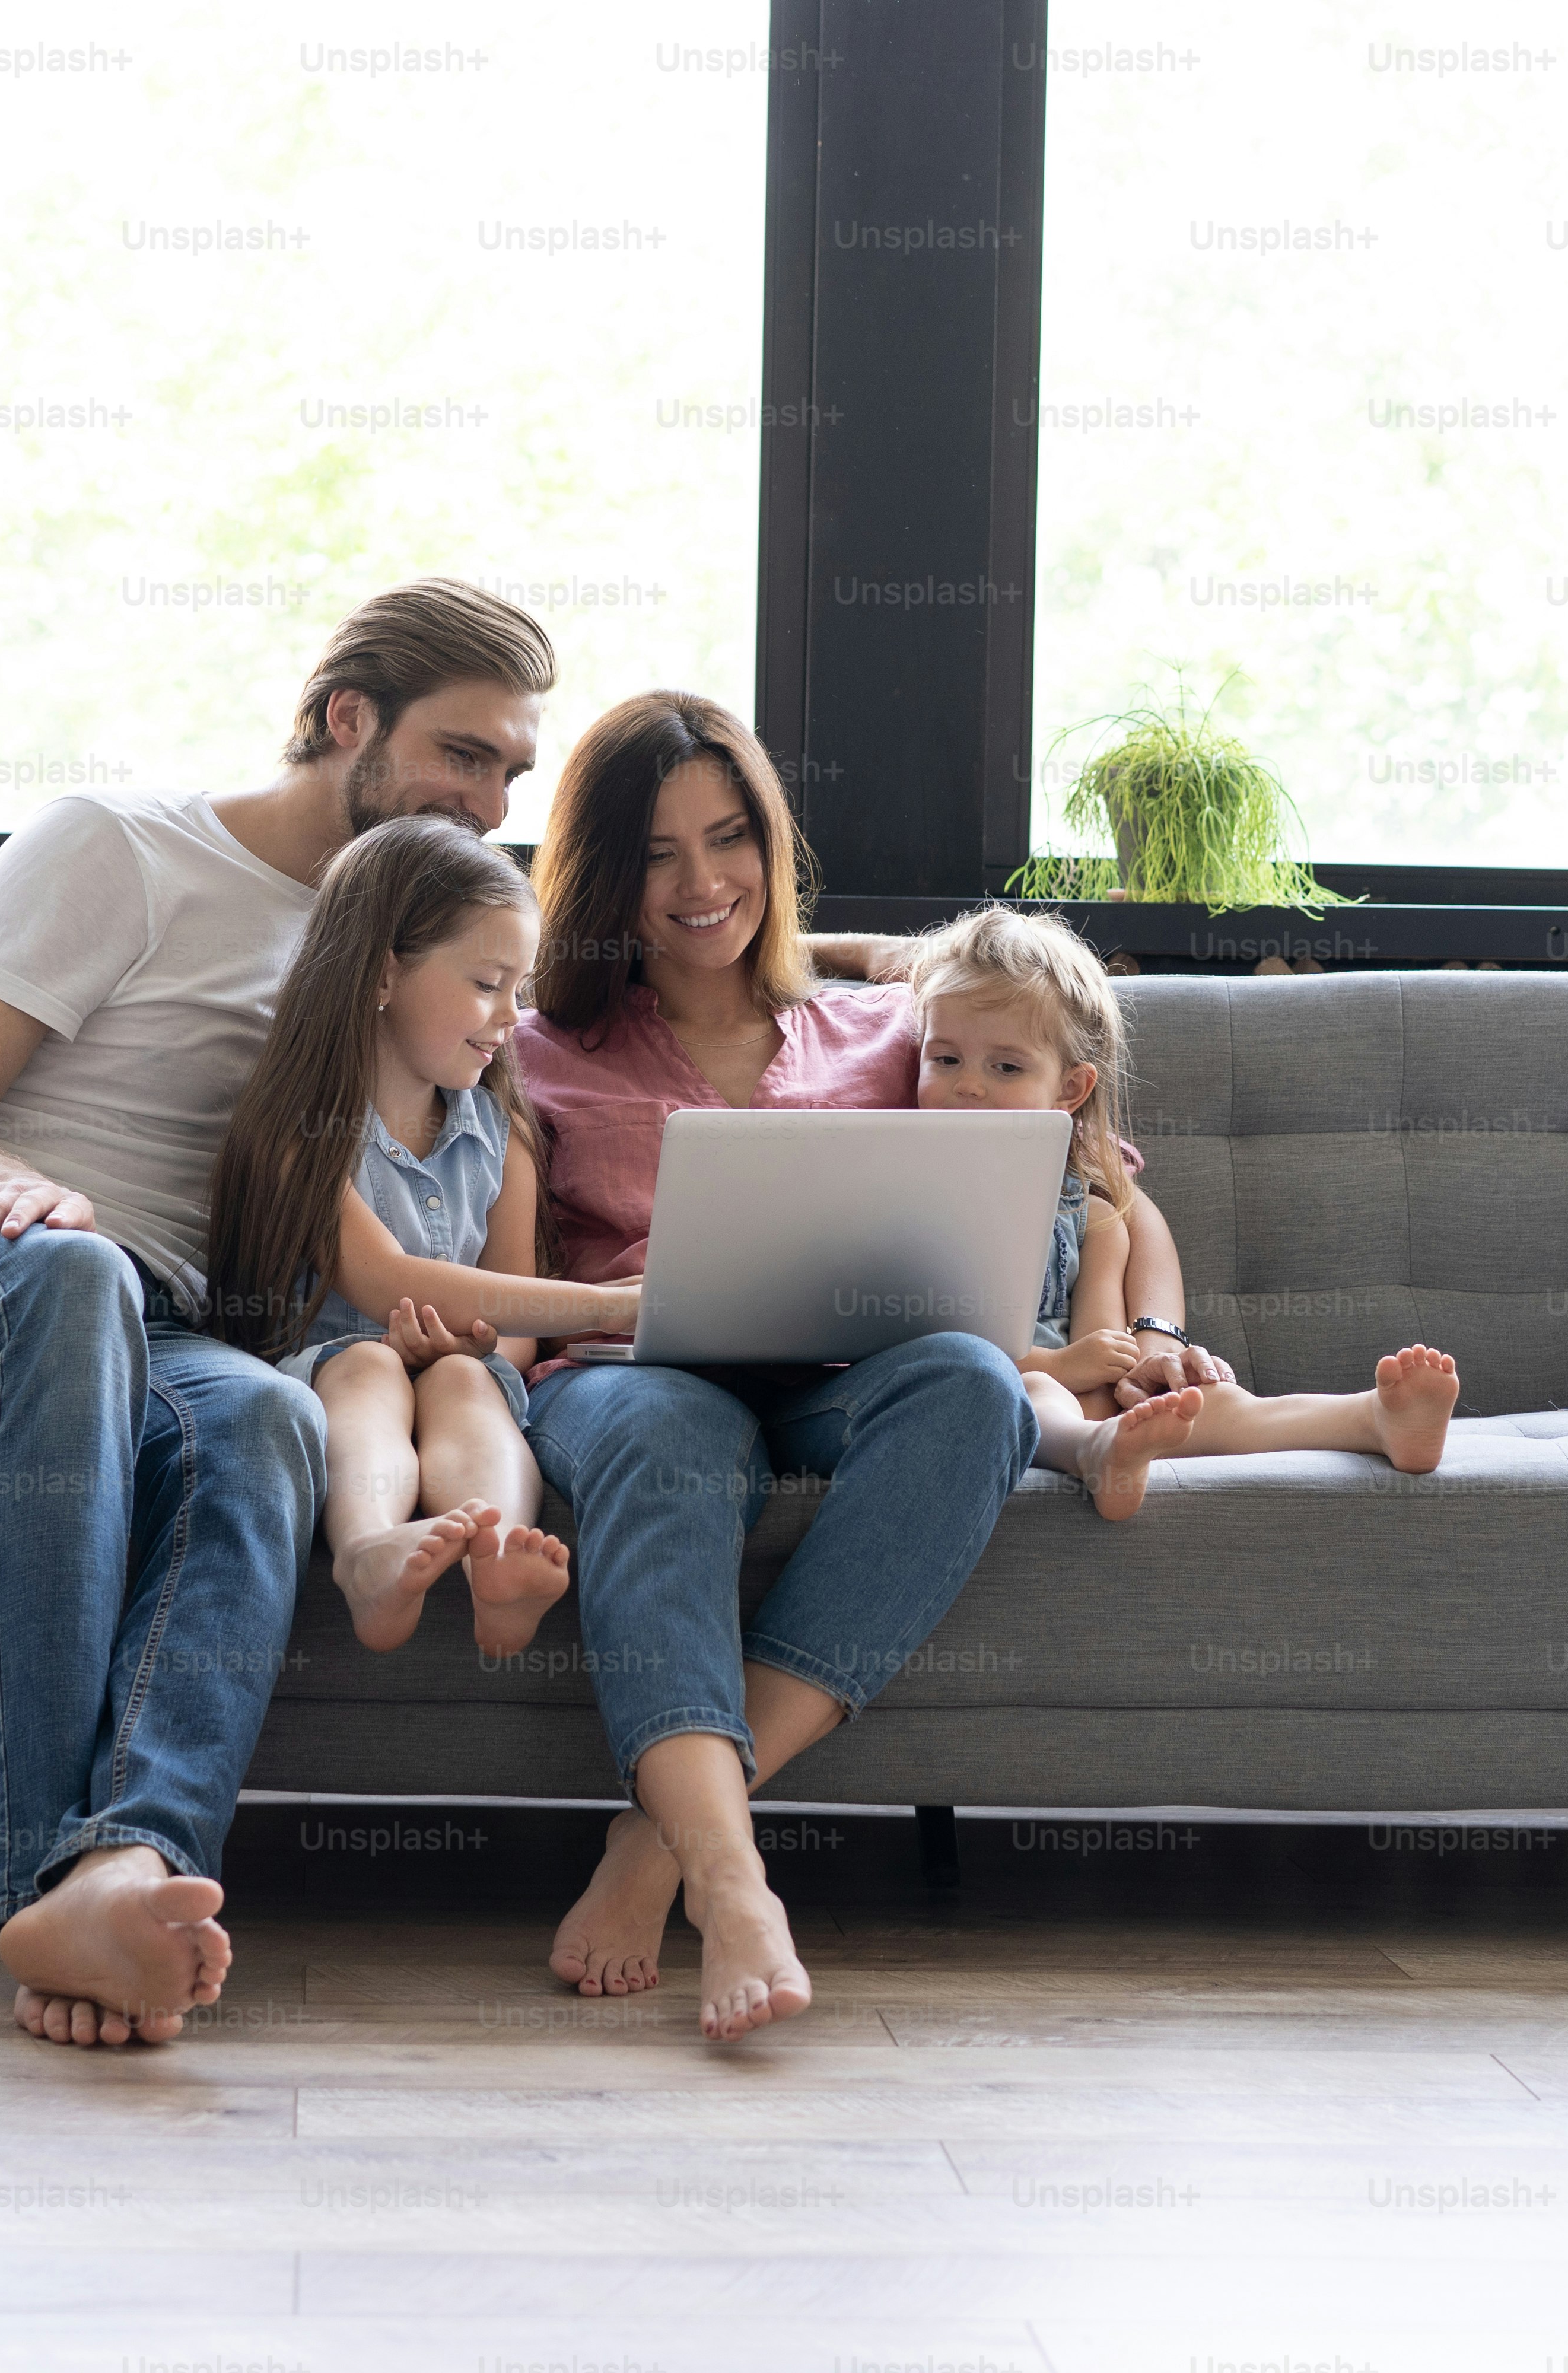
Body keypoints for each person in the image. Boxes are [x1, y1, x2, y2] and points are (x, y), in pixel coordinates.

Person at [0, 579, 555, 2048]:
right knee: (79, 1277)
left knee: (266, 1408)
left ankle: (135, 1861)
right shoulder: (122, 847)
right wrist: (20, 1192)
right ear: (350, 720)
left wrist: (873, 961)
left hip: (163, 1326)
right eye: (467, 755)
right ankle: (41, 1880)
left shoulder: (413, 935)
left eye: (514, 773)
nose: (490, 799)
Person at [509, 689, 1063, 2043]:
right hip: (635, 1369)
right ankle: (736, 1878)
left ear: (769, 836)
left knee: (974, 1388)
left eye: (729, 837)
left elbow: (1077, 1152)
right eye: (653, 853)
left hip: (840, 1370)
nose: (703, 883)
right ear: (599, 874)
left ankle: (659, 1845)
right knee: (662, 1435)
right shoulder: (532, 1050)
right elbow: (516, 1310)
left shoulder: (889, 1028)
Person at [204, 818, 629, 1656]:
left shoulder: (499, 1127)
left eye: (521, 988)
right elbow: (380, 1280)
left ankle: (496, 1556)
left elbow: (517, 1328)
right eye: (486, 983)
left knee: (469, 1384)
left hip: (457, 1372)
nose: (512, 1017)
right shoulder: (303, 1125)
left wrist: (480, 1347)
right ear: (383, 973)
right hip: (329, 1368)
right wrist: (616, 1307)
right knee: (366, 1364)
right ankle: (366, 1553)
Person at [902, 904, 1461, 1518]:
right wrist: (1061, 1366)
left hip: (1090, 1394)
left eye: (1005, 1066)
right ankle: (1096, 1450)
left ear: (1071, 1090)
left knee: (1218, 1403)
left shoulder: (1094, 1211)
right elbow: (926, 1338)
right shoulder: (921, 1194)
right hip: (994, 1395)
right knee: (1032, 1390)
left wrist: (1128, 1378)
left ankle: (1371, 1418)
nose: (970, 1086)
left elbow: (1105, 1339)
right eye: (945, 1059)